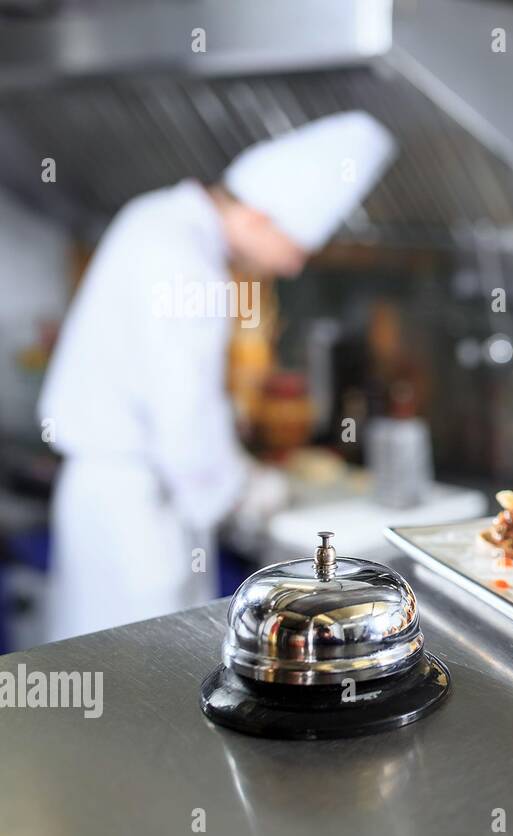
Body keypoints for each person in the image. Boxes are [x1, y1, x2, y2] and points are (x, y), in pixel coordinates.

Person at [37, 111, 396, 642]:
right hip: (139, 514)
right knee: (146, 678)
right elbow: (186, 418)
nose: (294, 266)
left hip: (106, 492)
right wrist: (252, 488)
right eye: (296, 246)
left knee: (99, 666)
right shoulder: (190, 264)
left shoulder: (157, 215)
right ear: (256, 216)